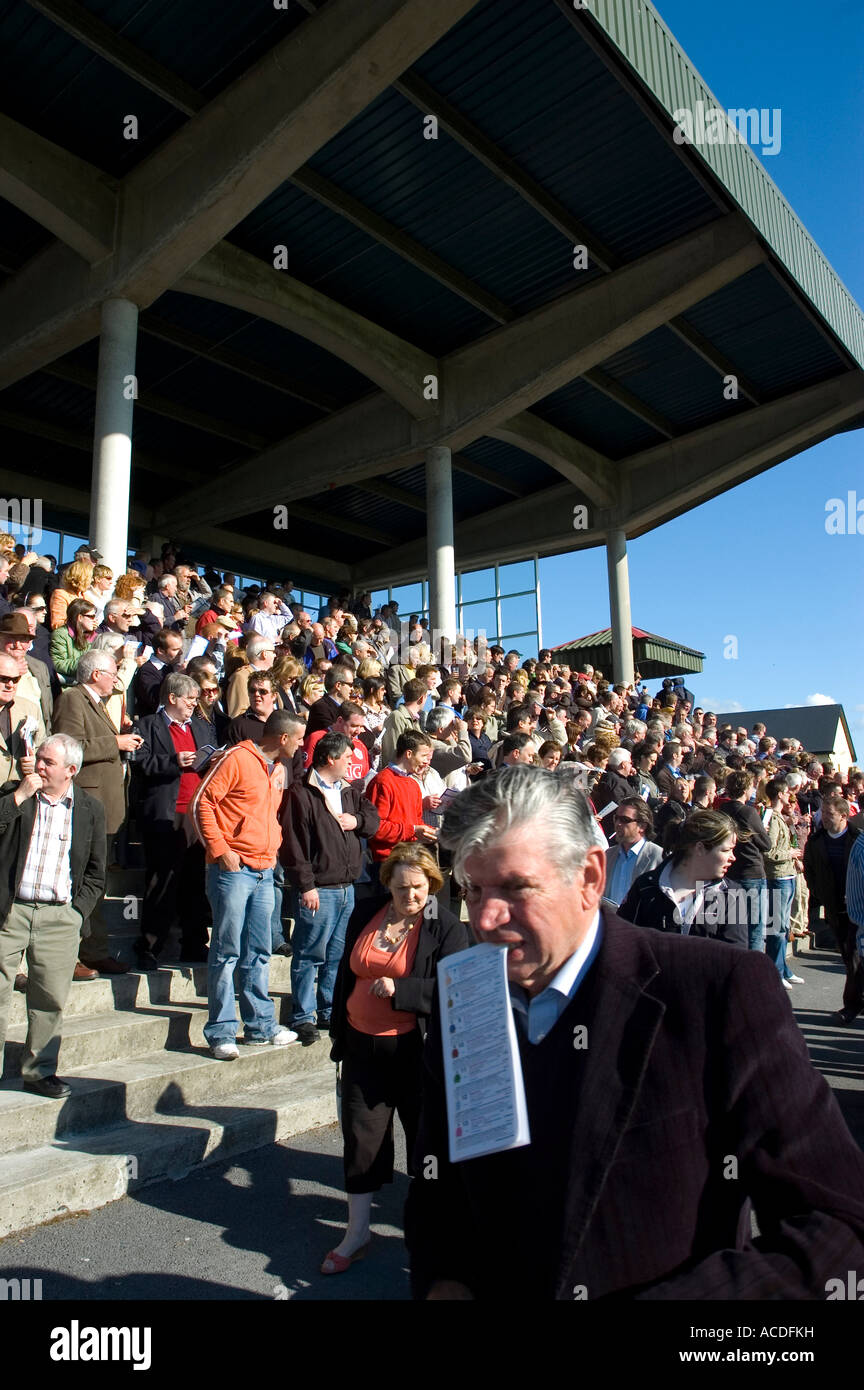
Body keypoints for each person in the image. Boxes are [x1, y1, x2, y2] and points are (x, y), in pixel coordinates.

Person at [405, 767, 864, 1300]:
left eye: (514, 887)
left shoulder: (718, 990)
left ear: (590, 877)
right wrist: (445, 1282)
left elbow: (840, 1228)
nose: (483, 919)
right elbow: (440, 1184)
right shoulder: (468, 990)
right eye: (473, 888)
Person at [324, 841, 468, 1274]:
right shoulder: (366, 910)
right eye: (402, 888)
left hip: (416, 1053)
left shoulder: (442, 925)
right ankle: (357, 1232)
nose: (411, 897)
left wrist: (400, 991)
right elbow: (345, 974)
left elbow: (457, 987)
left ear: (433, 884)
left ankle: (432, 1232)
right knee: (361, 1141)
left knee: (426, 1144)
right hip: (361, 1048)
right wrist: (339, 1029)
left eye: (420, 888)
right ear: (388, 884)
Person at [189, 710, 301, 1058]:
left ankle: (260, 1026)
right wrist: (222, 850)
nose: (301, 745)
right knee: (226, 951)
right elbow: (202, 802)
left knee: (259, 950)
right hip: (233, 869)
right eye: (298, 738)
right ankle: (222, 1031)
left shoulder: (279, 770)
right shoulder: (237, 758)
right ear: (283, 738)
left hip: (265, 869)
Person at [0, 734, 106, 1097]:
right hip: (10, 912)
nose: (38, 766)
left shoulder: (90, 809)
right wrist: (17, 797)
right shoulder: (16, 795)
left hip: (59, 916)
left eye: (47, 761)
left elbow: (96, 872)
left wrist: (77, 914)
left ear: (71, 770)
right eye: (38, 758)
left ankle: (39, 1071)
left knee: (49, 999)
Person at [280, 731, 381, 1045]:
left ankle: (328, 1009)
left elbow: (373, 818)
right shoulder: (301, 792)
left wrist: (356, 821)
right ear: (330, 759)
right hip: (320, 889)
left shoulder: (349, 791)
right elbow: (294, 845)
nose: (352, 762)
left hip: (348, 886)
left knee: (337, 955)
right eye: (347, 757)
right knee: (309, 955)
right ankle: (302, 1016)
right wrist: (306, 885)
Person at [52, 649, 140, 977]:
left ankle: (94, 949)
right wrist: (115, 742)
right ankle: (69, 952)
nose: (116, 679)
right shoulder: (72, 699)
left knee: (95, 882)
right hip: (84, 805)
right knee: (78, 881)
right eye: (112, 673)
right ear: (94, 675)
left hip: (103, 807)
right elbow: (68, 747)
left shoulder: (98, 703)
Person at [131, 673, 211, 969]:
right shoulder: (149, 725)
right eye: (189, 698)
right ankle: (150, 946)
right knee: (160, 881)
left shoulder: (202, 727)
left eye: (195, 699)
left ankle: (194, 943)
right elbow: (141, 762)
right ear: (173, 698)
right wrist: (174, 761)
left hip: (196, 814)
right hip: (165, 813)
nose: (194, 704)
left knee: (194, 881)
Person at [617, 809, 745, 944]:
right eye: (726, 850)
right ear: (700, 848)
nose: (733, 857)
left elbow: (737, 955)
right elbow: (622, 941)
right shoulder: (646, 887)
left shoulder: (733, 894)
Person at [803, 797, 862, 1023]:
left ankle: (852, 1005)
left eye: (829, 813)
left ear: (843, 816)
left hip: (859, 907)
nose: (823, 817)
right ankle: (856, 1002)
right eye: (822, 813)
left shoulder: (858, 839)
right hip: (835, 907)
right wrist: (820, 893)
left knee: (857, 957)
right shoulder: (817, 841)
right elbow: (810, 870)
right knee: (850, 957)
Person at [762, 776, 805, 990]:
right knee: (777, 927)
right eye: (787, 792)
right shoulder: (771, 816)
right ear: (780, 794)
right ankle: (775, 971)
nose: (789, 795)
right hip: (777, 876)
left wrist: (792, 858)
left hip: (787, 875)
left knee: (784, 926)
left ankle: (783, 968)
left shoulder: (780, 817)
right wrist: (788, 853)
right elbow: (768, 850)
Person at [722, 770, 772, 952]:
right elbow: (766, 844)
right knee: (755, 929)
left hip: (729, 872)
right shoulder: (748, 812)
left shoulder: (722, 810)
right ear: (746, 789)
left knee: (733, 927)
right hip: (751, 873)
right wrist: (762, 828)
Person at [602, 797, 662, 909]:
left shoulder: (657, 856)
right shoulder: (609, 855)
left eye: (624, 820)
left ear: (642, 826)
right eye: (616, 818)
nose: (618, 824)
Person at [132, 628, 184, 718]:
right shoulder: (147, 671)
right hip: (154, 723)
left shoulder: (170, 666)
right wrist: (177, 676)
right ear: (161, 651)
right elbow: (156, 701)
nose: (181, 653)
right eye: (175, 649)